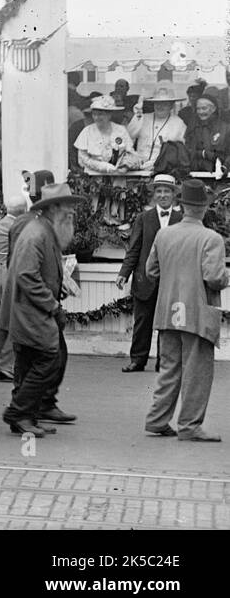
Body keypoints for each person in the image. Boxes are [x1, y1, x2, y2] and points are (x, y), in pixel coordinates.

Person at [144, 179, 229, 441]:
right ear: (204, 208)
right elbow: (214, 277)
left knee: (169, 367)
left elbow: (151, 271)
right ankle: (190, 425)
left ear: (182, 205)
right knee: (197, 372)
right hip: (197, 313)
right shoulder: (210, 239)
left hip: (168, 310)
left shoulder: (164, 234)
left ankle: (157, 420)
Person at [0, 183, 84, 437]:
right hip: (31, 312)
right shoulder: (37, 233)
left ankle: (26, 417)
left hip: (31, 310)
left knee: (28, 363)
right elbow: (27, 276)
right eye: (67, 206)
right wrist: (52, 305)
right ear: (53, 208)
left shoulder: (44, 230)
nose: (72, 211)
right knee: (49, 359)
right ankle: (18, 411)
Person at [115, 173, 181, 374]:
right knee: (142, 321)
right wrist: (124, 273)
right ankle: (137, 360)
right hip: (145, 279)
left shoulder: (181, 219)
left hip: (171, 281)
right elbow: (134, 248)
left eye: (166, 191)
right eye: (159, 191)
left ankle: (164, 361)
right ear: (154, 195)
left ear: (173, 195)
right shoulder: (144, 218)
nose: (162, 195)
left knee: (168, 324)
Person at [0, 197, 26, 382]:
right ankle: (5, 364)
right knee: (14, 320)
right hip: (10, 275)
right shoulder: (21, 228)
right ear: (22, 211)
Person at [128, 86, 186, 172]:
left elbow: (180, 151)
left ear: (171, 106)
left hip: (163, 170)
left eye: (164, 104)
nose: (160, 106)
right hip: (138, 168)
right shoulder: (143, 118)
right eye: (157, 103)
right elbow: (130, 135)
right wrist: (137, 115)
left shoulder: (179, 123)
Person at [74, 96, 136, 174]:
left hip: (118, 176)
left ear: (109, 115)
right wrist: (103, 166)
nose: (96, 117)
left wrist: (125, 166)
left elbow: (130, 153)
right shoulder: (87, 131)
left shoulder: (120, 130)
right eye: (94, 114)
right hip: (93, 177)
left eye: (100, 114)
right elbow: (83, 158)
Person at [186, 95, 230, 174]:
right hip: (196, 175)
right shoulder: (193, 128)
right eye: (198, 109)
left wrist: (224, 167)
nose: (200, 112)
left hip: (221, 176)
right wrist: (204, 154)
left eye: (204, 108)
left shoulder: (226, 129)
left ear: (213, 109)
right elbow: (187, 150)